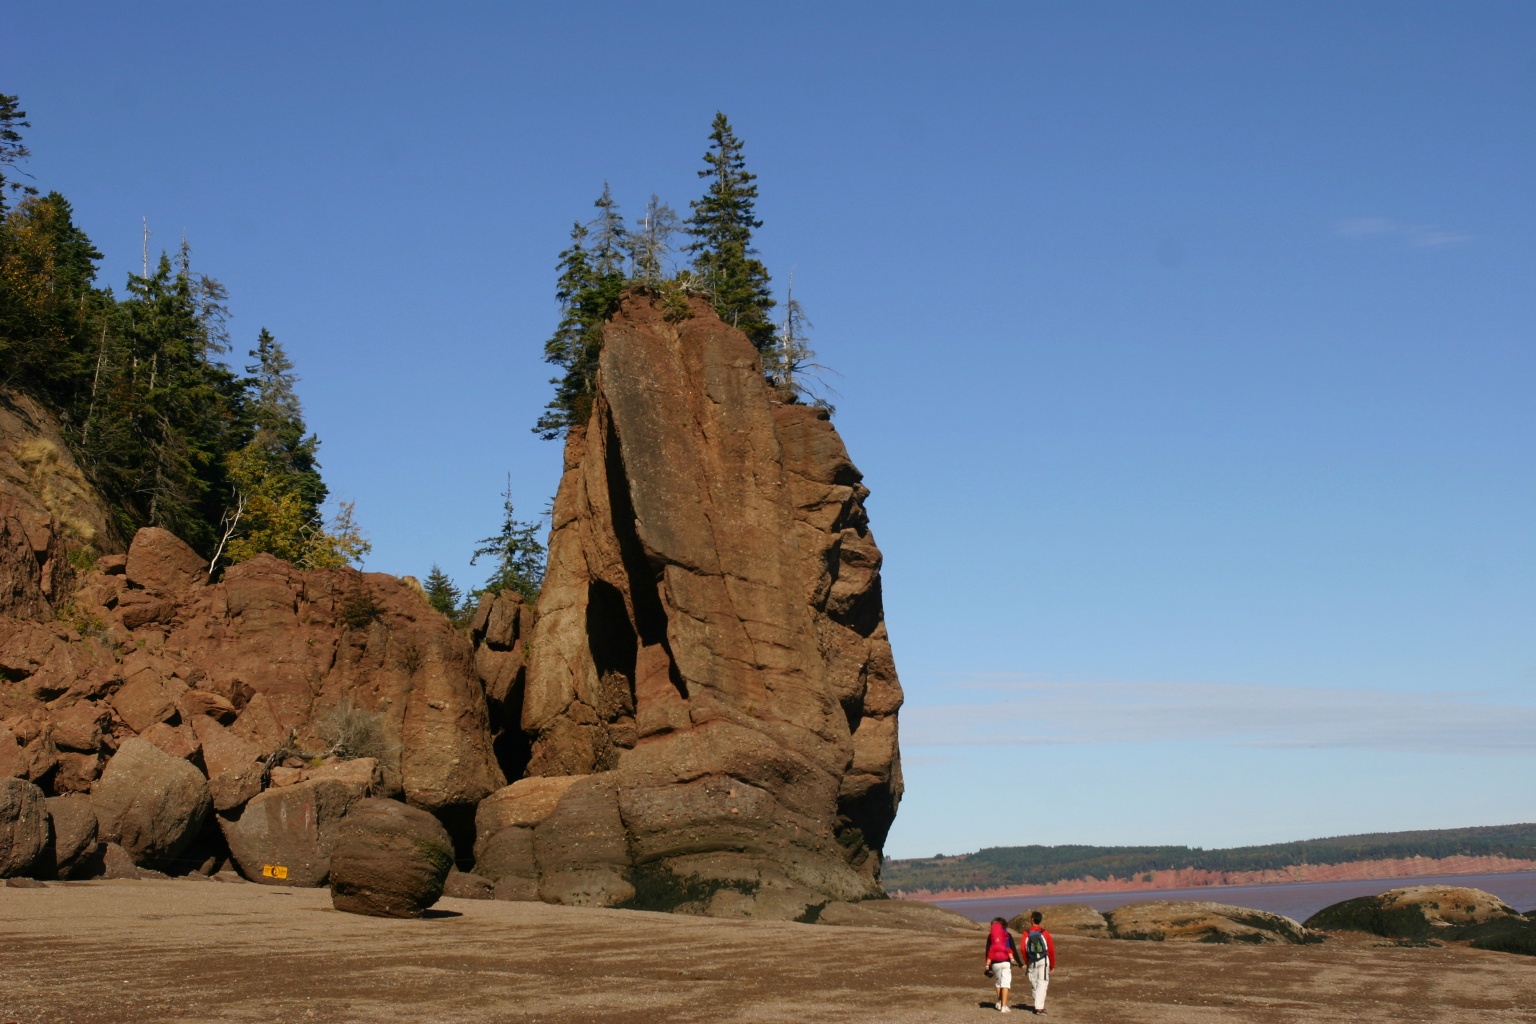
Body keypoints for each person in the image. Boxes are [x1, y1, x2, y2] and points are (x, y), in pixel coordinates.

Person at [983, 916, 1022, 1012]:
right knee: (1005, 984)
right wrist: (1020, 963)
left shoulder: (990, 936)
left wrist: (988, 966)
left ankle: (1000, 1003)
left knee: (998, 983)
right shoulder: (1007, 935)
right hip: (1006, 962)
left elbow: (988, 951)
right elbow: (1013, 949)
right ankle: (1004, 1006)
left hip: (995, 963)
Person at [1022, 911, 1057, 1015]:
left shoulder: (1026, 933)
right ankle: (1039, 1007)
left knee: (1034, 982)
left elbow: (1023, 949)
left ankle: (1037, 1005)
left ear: (1032, 919)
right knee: (1042, 982)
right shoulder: (1045, 933)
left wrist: (1027, 961)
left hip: (1032, 960)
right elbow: (1050, 950)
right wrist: (1052, 965)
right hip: (1043, 960)